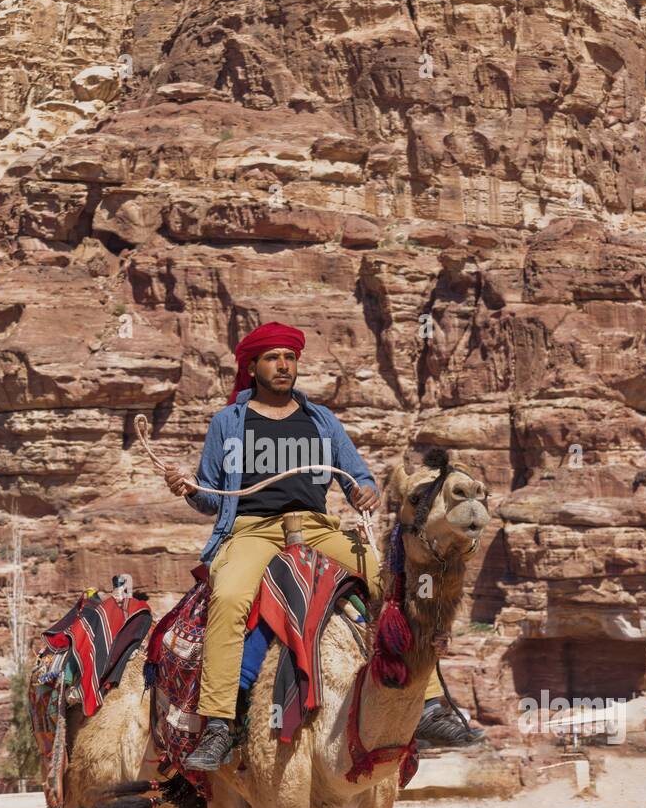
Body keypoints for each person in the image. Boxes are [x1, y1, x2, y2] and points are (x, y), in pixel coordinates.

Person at [165, 321, 481, 770]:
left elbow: (359, 474)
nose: (283, 366)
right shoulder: (228, 422)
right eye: (273, 358)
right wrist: (189, 489)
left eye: (290, 358)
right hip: (252, 528)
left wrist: (364, 490)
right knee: (230, 595)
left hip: (316, 526)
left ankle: (428, 704)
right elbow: (213, 496)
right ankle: (219, 723)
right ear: (252, 366)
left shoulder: (320, 420)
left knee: (388, 582)